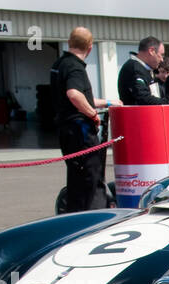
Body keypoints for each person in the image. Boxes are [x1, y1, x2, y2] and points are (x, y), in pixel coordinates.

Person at [50, 27, 112, 211]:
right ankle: (88, 218)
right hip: (80, 132)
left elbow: (80, 98)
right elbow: (74, 94)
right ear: (90, 48)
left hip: (67, 130)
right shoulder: (75, 67)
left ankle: (74, 214)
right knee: (89, 179)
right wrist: (92, 114)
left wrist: (107, 102)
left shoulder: (60, 64)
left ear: (69, 43)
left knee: (76, 179)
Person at [118, 36, 166, 105]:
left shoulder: (146, 69)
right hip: (137, 114)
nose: (162, 59)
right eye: (161, 55)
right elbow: (143, 98)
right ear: (151, 51)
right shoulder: (134, 69)